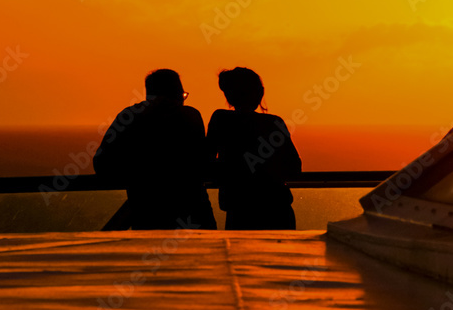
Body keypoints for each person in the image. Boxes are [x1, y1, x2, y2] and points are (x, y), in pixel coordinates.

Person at [93, 69, 216, 230]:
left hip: (147, 214)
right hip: (195, 213)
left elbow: (101, 164)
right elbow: (203, 161)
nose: (182, 101)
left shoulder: (128, 117)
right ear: (175, 95)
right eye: (181, 96)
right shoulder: (190, 115)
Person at [206, 67, 301, 230]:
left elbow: (205, 161)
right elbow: (294, 167)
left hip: (240, 210)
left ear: (229, 95)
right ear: (260, 92)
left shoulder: (221, 120)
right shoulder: (274, 123)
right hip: (278, 210)